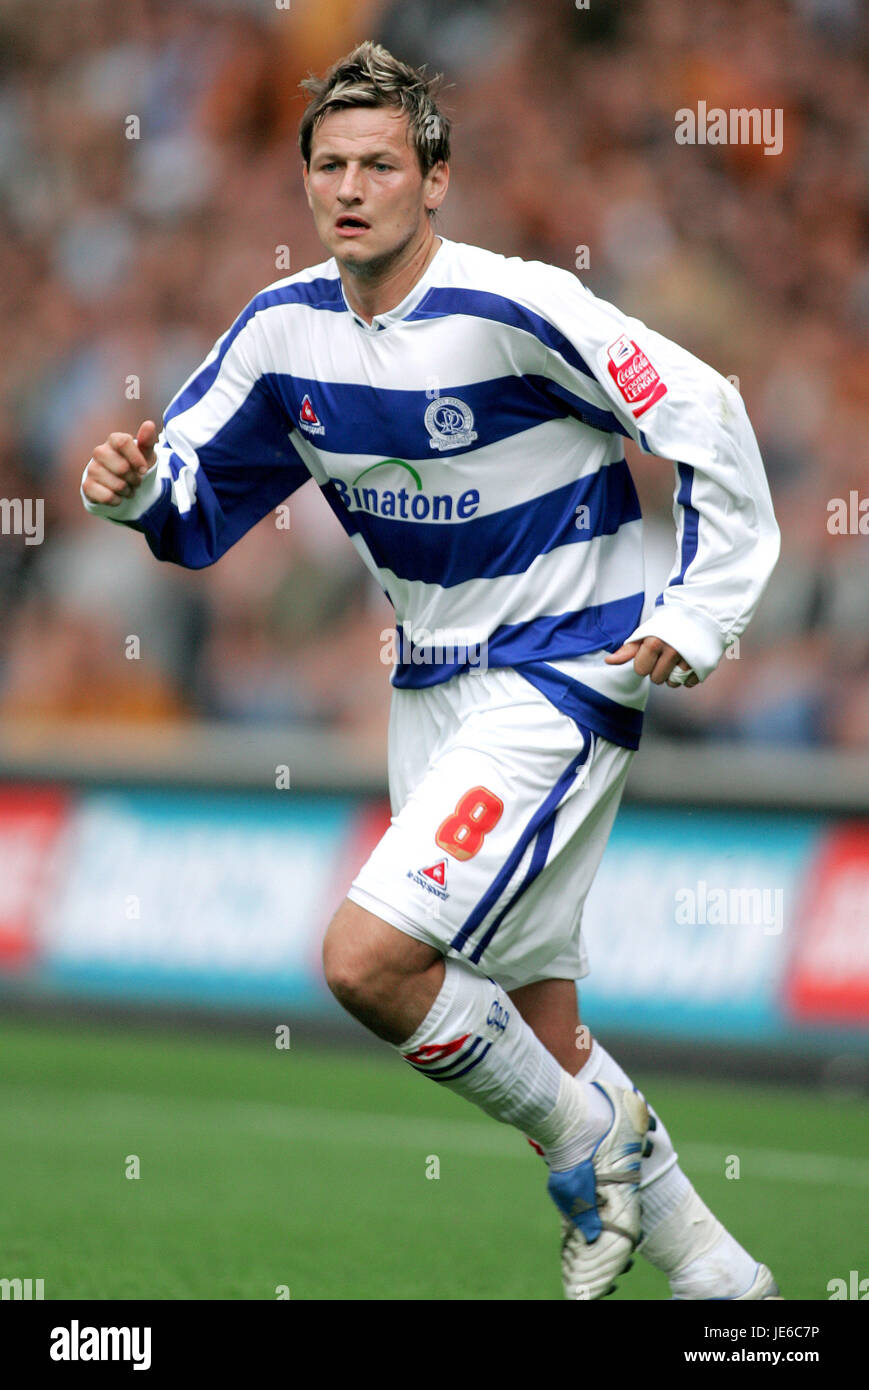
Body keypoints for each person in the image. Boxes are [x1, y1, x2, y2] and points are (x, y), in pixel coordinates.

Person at [81, 41, 782, 1301]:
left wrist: (702, 607)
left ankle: (585, 1146)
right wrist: (136, 491)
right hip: (431, 692)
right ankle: (722, 1285)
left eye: (381, 166)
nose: (353, 188)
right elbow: (192, 502)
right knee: (540, 1026)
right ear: (305, 185)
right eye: (330, 167)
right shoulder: (282, 332)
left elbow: (703, 409)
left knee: (366, 962)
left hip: (564, 675)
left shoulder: (518, 306)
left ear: (435, 180)